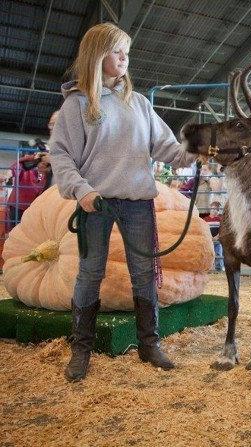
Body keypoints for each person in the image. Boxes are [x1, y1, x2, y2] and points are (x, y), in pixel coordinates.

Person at [49, 23, 199, 381]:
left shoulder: (139, 104)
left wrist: (194, 151)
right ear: (97, 54)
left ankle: (149, 344)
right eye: (117, 51)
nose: (124, 58)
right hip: (96, 204)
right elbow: (61, 155)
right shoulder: (78, 103)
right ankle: (81, 349)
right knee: (90, 273)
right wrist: (82, 191)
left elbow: (168, 150)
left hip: (136, 202)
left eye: (126, 52)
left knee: (144, 274)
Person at [203, 201, 224, 271]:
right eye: (213, 209)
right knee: (209, 253)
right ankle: (209, 267)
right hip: (209, 239)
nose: (215, 211)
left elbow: (221, 229)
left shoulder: (220, 220)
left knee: (218, 253)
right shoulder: (206, 219)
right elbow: (204, 229)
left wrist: (217, 236)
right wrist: (210, 237)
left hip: (217, 240)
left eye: (217, 210)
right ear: (210, 210)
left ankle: (219, 268)